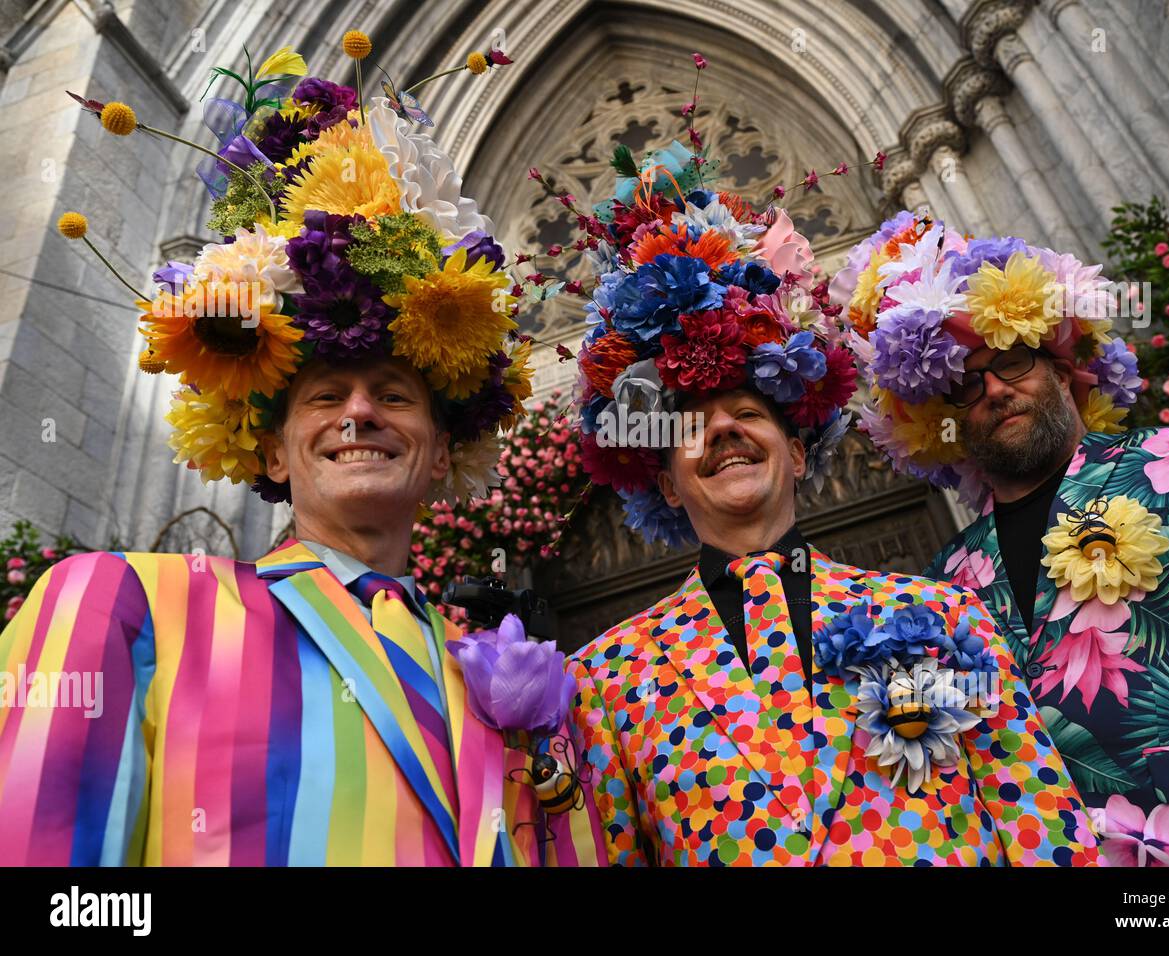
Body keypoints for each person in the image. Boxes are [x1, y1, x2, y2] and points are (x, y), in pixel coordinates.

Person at [0, 37, 602, 866]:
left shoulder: (515, 676)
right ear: (274, 456)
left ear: (439, 458)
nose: (359, 412)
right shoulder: (121, 605)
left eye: (394, 395)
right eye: (323, 396)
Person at [546, 134, 1099, 866]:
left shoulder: (944, 615)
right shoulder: (603, 683)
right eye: (687, 422)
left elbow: (1042, 828)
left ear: (798, 450)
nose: (721, 430)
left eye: (746, 412)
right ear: (667, 484)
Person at [840, 213, 1169, 866]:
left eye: (1012, 361)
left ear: (1063, 371)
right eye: (968, 384)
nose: (995, 389)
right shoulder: (945, 580)